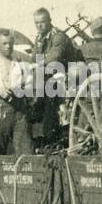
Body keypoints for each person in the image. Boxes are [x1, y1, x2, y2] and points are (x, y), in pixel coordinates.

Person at [31, 8, 82, 146]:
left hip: (70, 75)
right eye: (36, 23)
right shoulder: (39, 39)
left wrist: (36, 66)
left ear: (49, 21)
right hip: (51, 75)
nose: (39, 26)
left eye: (42, 22)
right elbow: (33, 59)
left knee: (49, 93)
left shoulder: (58, 36)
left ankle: (50, 135)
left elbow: (54, 58)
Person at [0, 30, 33, 155]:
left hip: (19, 110)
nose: (8, 46)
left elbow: (30, 87)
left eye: (10, 43)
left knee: (26, 150)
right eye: (4, 43)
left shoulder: (20, 65)